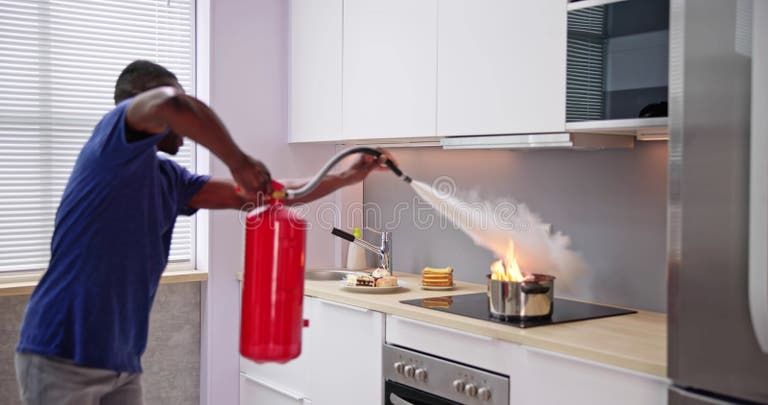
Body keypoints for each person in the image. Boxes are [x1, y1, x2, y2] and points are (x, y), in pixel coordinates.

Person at [15, 60, 393, 405]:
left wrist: (346, 176)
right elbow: (172, 106)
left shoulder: (169, 179)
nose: (182, 116)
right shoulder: (109, 144)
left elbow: (273, 193)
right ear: (134, 106)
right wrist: (239, 160)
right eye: (176, 100)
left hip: (121, 361)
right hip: (61, 351)